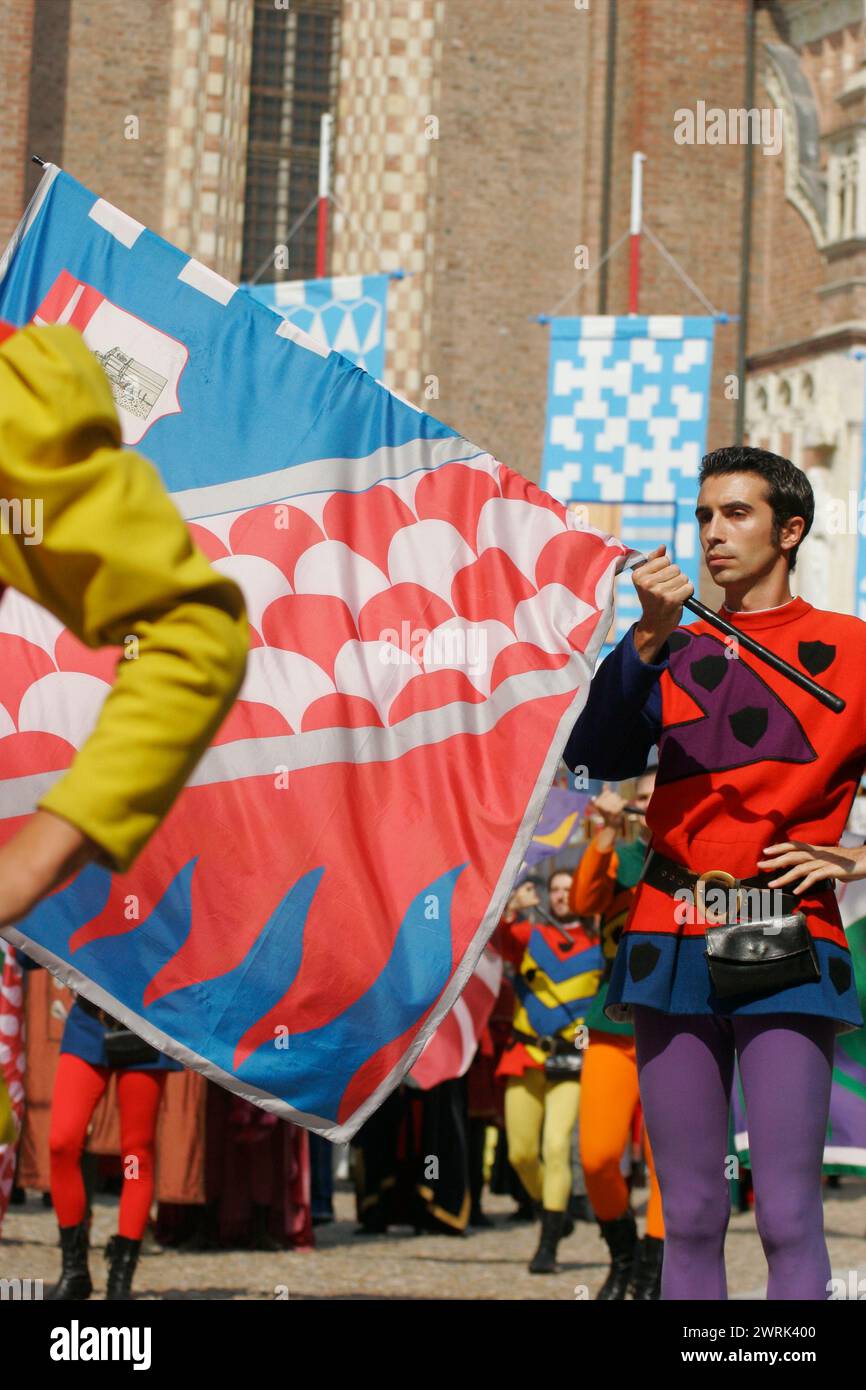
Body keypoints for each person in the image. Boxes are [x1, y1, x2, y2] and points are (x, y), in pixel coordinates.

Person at [564, 445, 866, 1300]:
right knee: (692, 1209)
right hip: (670, 927)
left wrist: (856, 856)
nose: (712, 533)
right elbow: (594, 758)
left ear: (791, 529)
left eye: (736, 513)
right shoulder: (668, 642)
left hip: (778, 923)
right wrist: (649, 640)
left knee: (786, 1215)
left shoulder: (852, 649)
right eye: (703, 516)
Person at [0, 321, 249, 1295]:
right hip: (91, 1008)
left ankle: (112, 1280)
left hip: (133, 1014)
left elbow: (190, 632)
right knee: (66, 1138)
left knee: (125, 1146)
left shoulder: (16, 398)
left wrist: (43, 850)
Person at [570, 775, 664, 1299]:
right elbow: (584, 900)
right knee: (598, 1157)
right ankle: (623, 1257)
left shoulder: (695, 858)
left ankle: (652, 1274)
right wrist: (603, 832)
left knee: (667, 1162)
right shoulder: (620, 852)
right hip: (613, 1025)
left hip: (677, 1026)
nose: (648, 805)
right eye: (643, 797)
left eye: (659, 795)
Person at [497, 867, 602, 1274]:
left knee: (556, 1147)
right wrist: (509, 909)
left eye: (568, 888)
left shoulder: (599, 945)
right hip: (525, 1053)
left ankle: (547, 1245)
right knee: (521, 1152)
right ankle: (555, 1210)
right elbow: (493, 940)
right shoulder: (529, 934)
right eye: (555, 889)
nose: (561, 895)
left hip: (571, 1060)